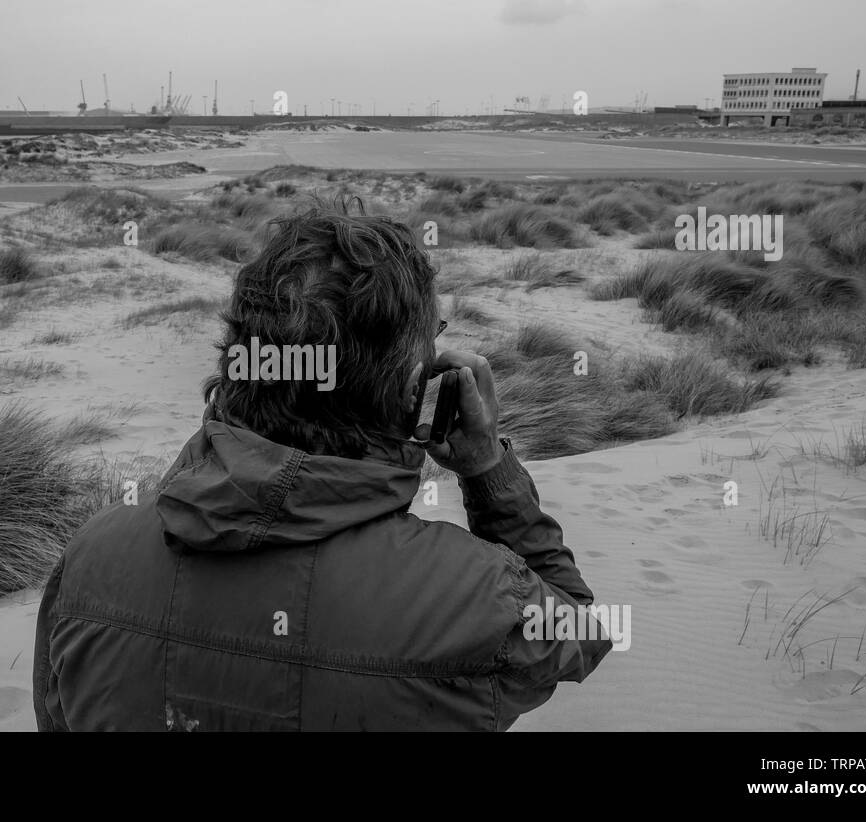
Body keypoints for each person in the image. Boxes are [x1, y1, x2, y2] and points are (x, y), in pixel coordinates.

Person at [33, 201, 611, 731]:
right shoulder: (475, 598)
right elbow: (581, 631)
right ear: (414, 385)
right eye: (432, 339)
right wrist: (486, 468)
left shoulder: (91, 559)